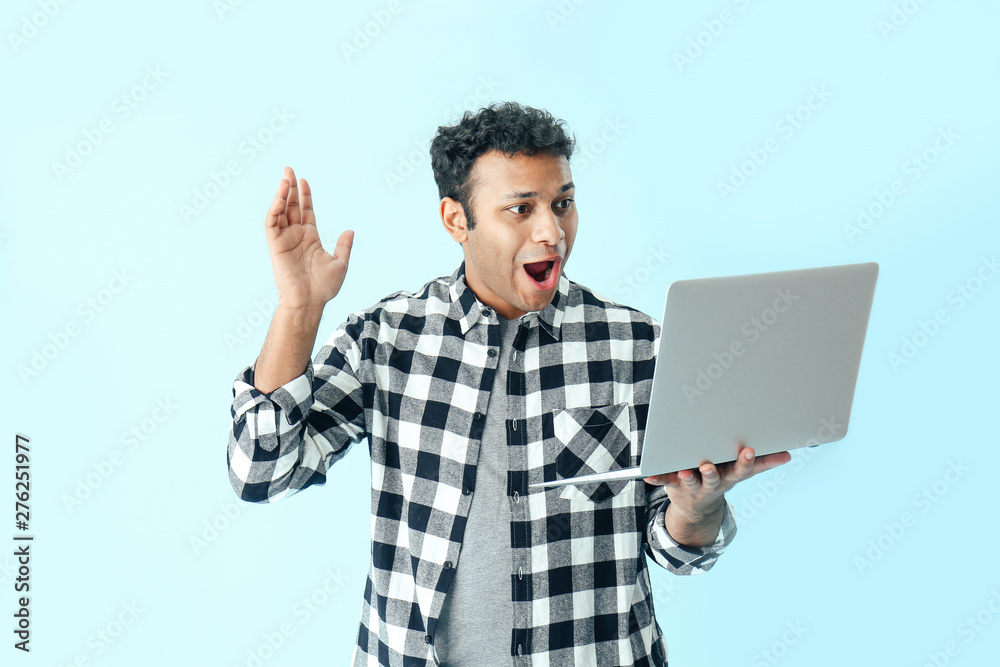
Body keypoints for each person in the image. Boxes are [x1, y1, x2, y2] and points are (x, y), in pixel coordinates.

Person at [227, 101, 790, 666]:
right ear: (456, 220)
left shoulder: (640, 346)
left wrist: (697, 510)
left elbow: (678, 553)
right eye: (520, 208)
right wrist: (298, 310)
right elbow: (262, 471)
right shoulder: (389, 339)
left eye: (562, 203)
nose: (552, 231)